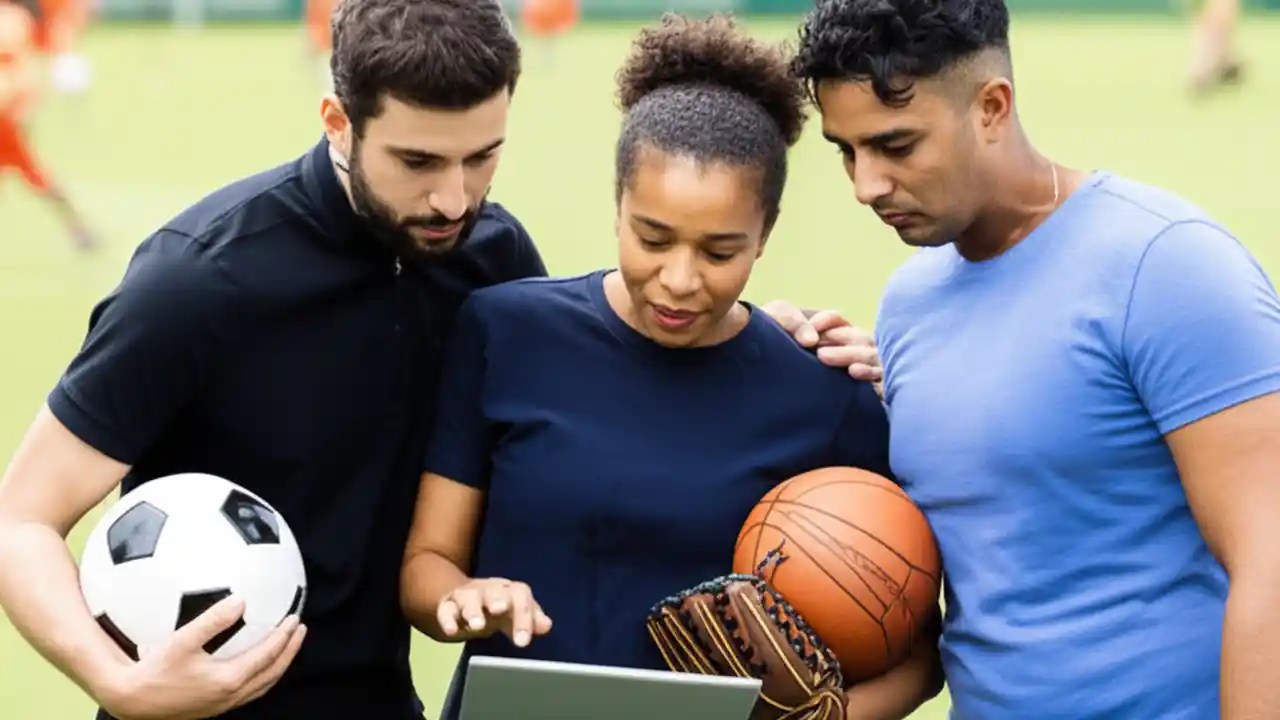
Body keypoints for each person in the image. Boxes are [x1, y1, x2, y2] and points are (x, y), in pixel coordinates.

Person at [0, 1, 882, 719]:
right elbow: (21, 521)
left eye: (483, 156)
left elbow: (597, 370)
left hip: (386, 704)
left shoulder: (486, 256)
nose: (454, 197)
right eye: (417, 161)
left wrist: (769, 338)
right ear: (338, 122)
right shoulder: (196, 282)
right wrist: (114, 679)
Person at [400, 13, 943, 720]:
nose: (680, 280)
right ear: (618, 207)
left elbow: (921, 655)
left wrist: (834, 718)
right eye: (652, 237)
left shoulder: (826, 398)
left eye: (720, 252)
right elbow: (425, 566)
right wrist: (461, 600)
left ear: (764, 236)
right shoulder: (503, 331)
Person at [792, 0, 1280, 718]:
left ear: (992, 107)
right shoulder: (907, 306)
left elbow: (1270, 560)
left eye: (896, 146)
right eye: (846, 150)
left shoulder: (1167, 263)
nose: (866, 185)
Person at [0, 0, 94, 250]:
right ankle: (79, 228)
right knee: (37, 176)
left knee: (37, 175)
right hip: (11, 112)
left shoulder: (12, 18)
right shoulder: (17, 17)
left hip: (6, 116)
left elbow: (18, 68)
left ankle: (79, 228)